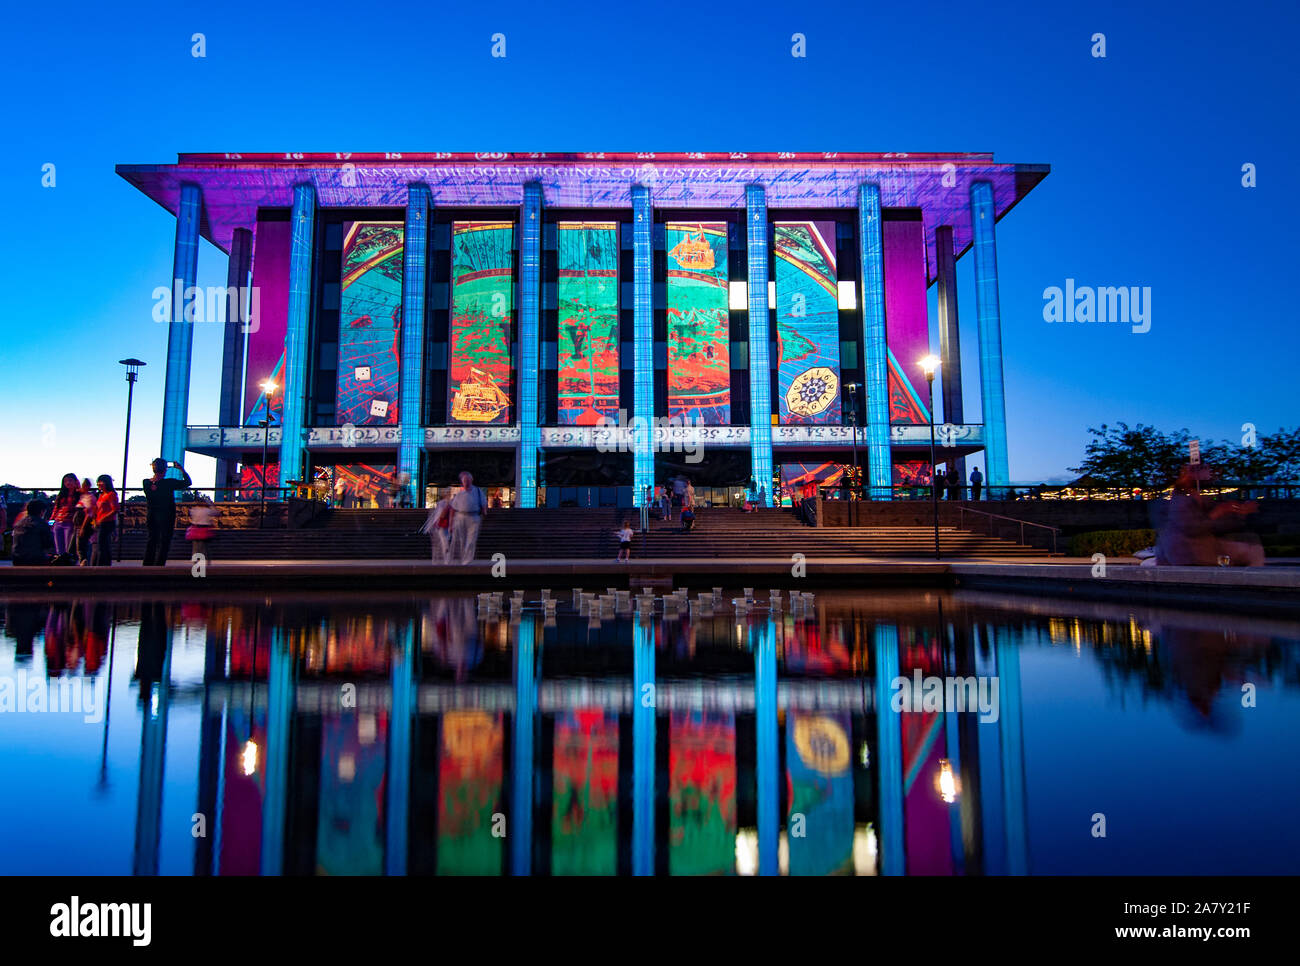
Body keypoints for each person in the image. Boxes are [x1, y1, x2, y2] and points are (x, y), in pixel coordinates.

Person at [143, 458, 192, 566]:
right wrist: (181, 469)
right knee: (165, 541)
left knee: (152, 540)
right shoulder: (169, 483)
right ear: (165, 469)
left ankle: (147, 564)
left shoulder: (146, 483)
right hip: (167, 515)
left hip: (152, 515)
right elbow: (188, 482)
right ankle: (159, 564)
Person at [448, 471, 488, 564]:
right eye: (464, 481)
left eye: (467, 480)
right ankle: (463, 557)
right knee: (462, 539)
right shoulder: (460, 494)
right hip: (461, 517)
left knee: (471, 539)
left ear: (471, 480)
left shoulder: (477, 491)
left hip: (474, 517)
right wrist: (450, 524)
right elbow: (453, 509)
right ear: (462, 482)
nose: (466, 482)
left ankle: (468, 558)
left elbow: (484, 504)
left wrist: (484, 511)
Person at [11, 501, 54, 566]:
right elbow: (48, 544)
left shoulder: (18, 523)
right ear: (42, 511)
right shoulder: (41, 524)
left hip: (17, 559)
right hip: (35, 560)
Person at [50, 474, 81, 558]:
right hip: (58, 522)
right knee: (59, 548)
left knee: (69, 547)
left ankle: (68, 563)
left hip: (70, 522)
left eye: (70, 480)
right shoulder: (61, 495)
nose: (68, 483)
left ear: (75, 481)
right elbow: (55, 510)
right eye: (66, 481)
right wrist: (51, 523)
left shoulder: (78, 494)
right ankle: (61, 563)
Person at [91, 475, 119, 567]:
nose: (99, 484)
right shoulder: (102, 495)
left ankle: (102, 565)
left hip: (107, 522)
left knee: (103, 545)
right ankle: (103, 564)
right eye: (98, 482)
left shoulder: (111, 495)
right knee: (102, 544)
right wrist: (95, 521)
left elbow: (114, 509)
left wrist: (103, 518)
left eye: (101, 482)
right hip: (100, 522)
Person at [420, 494, 454, 564]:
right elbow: (441, 516)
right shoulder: (442, 505)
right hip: (441, 526)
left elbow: (450, 517)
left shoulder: (450, 506)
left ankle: (444, 558)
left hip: (446, 526)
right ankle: (444, 559)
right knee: (444, 542)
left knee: (445, 542)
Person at [73, 478, 97, 565]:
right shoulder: (83, 496)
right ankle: (83, 561)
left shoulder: (89, 498)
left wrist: (83, 527)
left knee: (81, 546)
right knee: (80, 546)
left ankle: (84, 562)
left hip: (83, 525)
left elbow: (89, 514)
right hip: (79, 525)